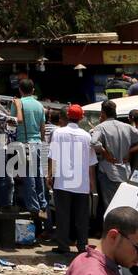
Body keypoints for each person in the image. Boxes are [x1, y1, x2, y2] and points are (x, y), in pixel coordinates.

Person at [47, 105, 96, 255]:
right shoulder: (87, 136)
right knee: (81, 217)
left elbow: (53, 156)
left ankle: (63, 246)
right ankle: (82, 246)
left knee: (63, 215)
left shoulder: (58, 133)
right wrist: (92, 184)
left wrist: (50, 175)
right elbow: (91, 163)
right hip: (81, 183)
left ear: (67, 116)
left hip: (62, 181)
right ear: (81, 118)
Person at [90, 101, 138, 218]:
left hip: (107, 172)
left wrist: (105, 153)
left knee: (110, 206)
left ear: (102, 113)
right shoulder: (126, 127)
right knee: (124, 205)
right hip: (125, 172)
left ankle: (112, 230)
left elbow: (93, 142)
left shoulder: (100, 127)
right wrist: (130, 151)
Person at [13, 78, 46, 220]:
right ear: (33, 90)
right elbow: (42, 128)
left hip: (23, 144)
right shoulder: (39, 105)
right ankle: (42, 203)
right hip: (38, 142)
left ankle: (33, 207)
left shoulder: (18, 104)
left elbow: (14, 124)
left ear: (20, 90)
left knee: (28, 176)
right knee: (38, 174)